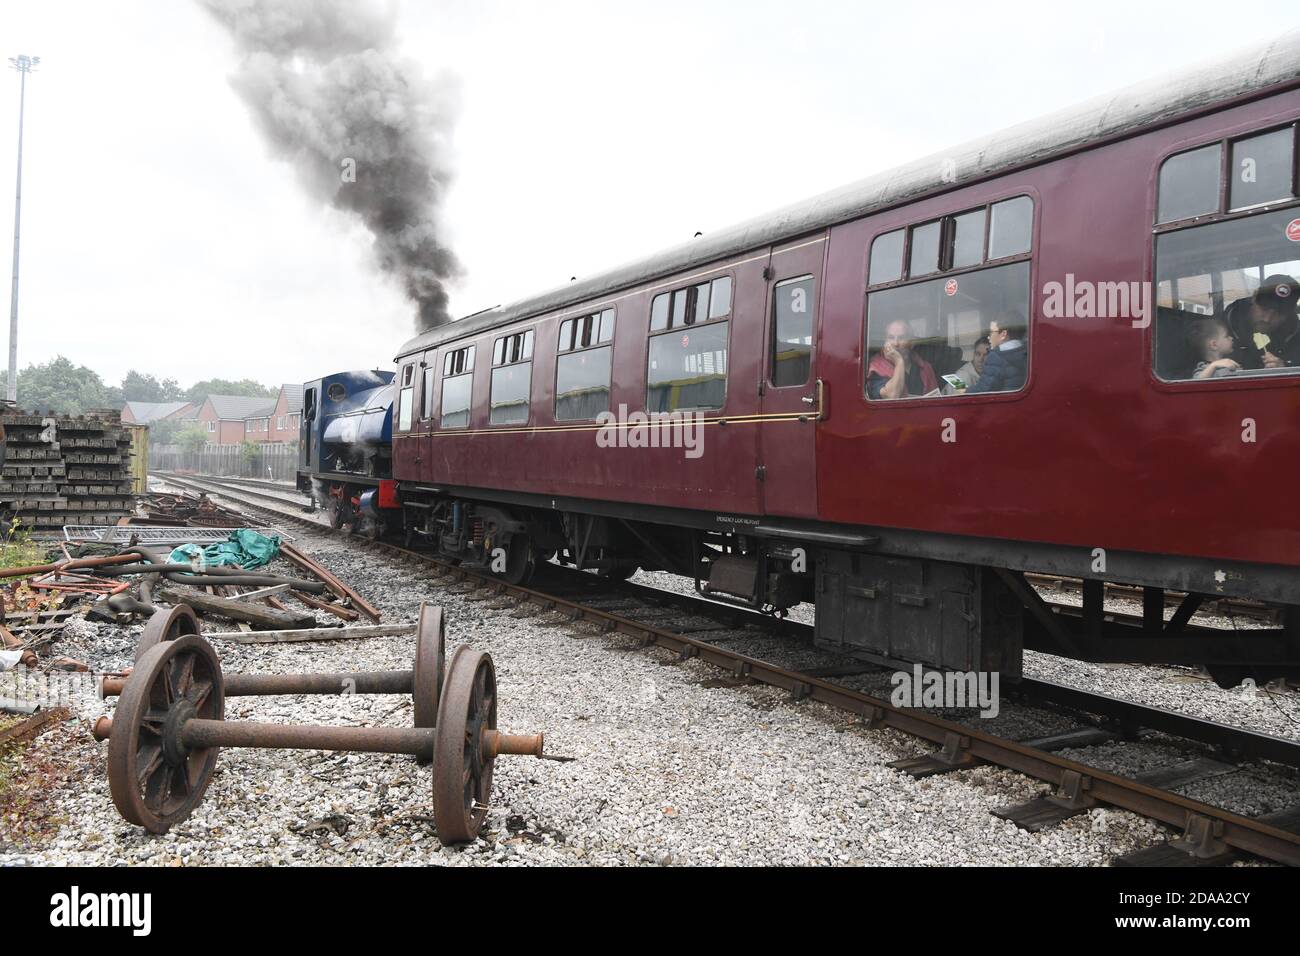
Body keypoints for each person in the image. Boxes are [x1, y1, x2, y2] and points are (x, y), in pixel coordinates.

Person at [1224, 274, 1300, 370]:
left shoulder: (1296, 337)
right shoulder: (1221, 328)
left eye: (1278, 313)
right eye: (1264, 308)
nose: (1267, 319)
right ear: (1254, 296)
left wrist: (1286, 368)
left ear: (1290, 313)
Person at [867, 319, 940, 400]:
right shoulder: (877, 366)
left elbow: (936, 400)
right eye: (891, 337)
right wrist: (899, 362)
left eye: (901, 338)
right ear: (885, 341)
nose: (896, 343)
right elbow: (891, 396)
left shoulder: (924, 367)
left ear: (911, 342)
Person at [968, 312, 1027, 393]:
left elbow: (983, 390)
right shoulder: (1026, 352)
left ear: (1003, 334)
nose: (989, 337)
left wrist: (964, 390)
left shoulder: (996, 357)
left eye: (992, 332)